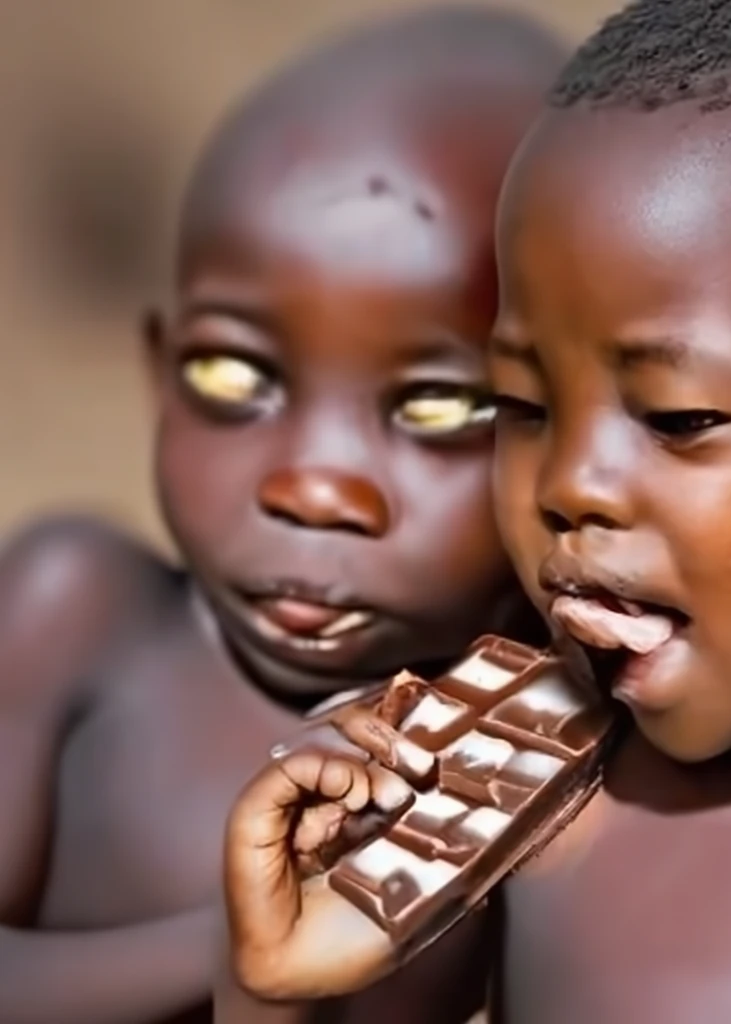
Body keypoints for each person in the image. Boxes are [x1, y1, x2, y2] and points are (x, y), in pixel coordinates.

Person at [220, 1, 731, 1021]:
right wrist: (279, 986)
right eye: (521, 404)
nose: (568, 483)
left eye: (678, 416)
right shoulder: (491, 822)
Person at [0, 9, 565, 1023]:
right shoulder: (76, 609)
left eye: (438, 406)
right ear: (157, 371)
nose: (312, 485)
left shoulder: (534, 755)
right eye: (232, 375)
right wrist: (242, 941)